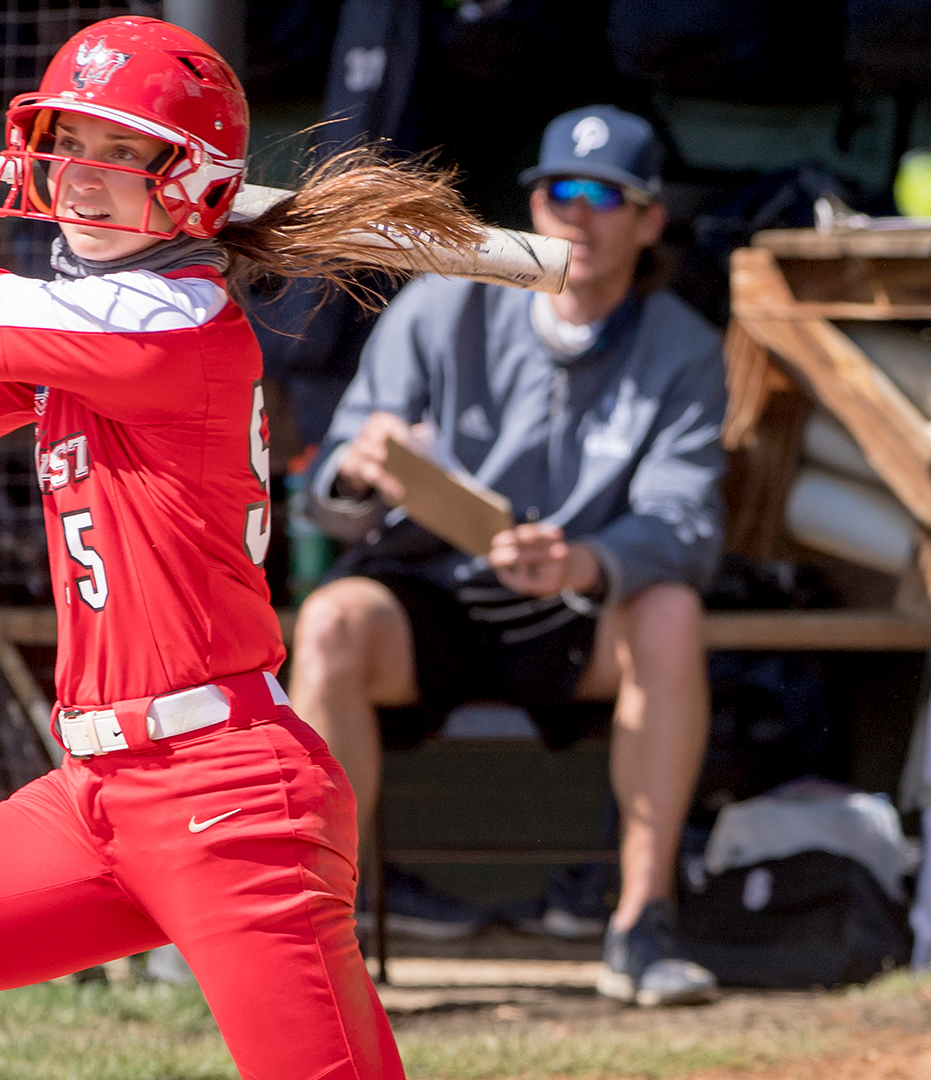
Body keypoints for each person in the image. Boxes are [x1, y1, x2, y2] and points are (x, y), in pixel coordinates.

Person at [0, 16, 493, 1079]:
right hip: (96, 796)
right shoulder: (88, 323)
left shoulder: (170, 318)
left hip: (231, 798)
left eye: (124, 152)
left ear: (194, 182)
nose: (84, 177)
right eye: (70, 144)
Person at [289, 105, 727, 1008]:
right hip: (433, 594)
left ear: (650, 222)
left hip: (572, 604)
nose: (580, 214)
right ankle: (322, 930)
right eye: (563, 190)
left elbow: (685, 524)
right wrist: (364, 467)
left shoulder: (681, 345)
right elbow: (327, 489)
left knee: (672, 612)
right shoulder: (445, 302)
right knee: (329, 621)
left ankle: (641, 928)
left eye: (608, 196)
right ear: (533, 205)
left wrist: (587, 562)